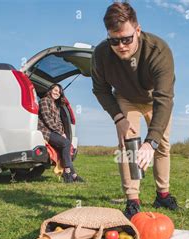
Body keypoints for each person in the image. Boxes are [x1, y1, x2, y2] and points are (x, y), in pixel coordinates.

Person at [91, 2, 178, 219]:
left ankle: (163, 194)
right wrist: (118, 118)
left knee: (162, 145)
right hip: (125, 98)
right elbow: (100, 89)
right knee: (127, 144)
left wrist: (151, 142)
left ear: (137, 30)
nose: (121, 45)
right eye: (114, 40)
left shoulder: (159, 50)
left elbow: (164, 98)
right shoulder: (101, 54)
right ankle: (132, 200)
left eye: (126, 39)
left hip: (154, 100)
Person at [38, 84, 83, 183]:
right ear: (50, 90)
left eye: (59, 92)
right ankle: (67, 172)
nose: (57, 93)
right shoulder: (44, 100)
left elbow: (58, 122)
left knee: (66, 148)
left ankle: (74, 175)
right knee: (66, 143)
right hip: (45, 131)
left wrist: (62, 132)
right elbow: (47, 119)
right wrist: (59, 132)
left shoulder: (55, 105)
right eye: (55, 90)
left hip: (52, 131)